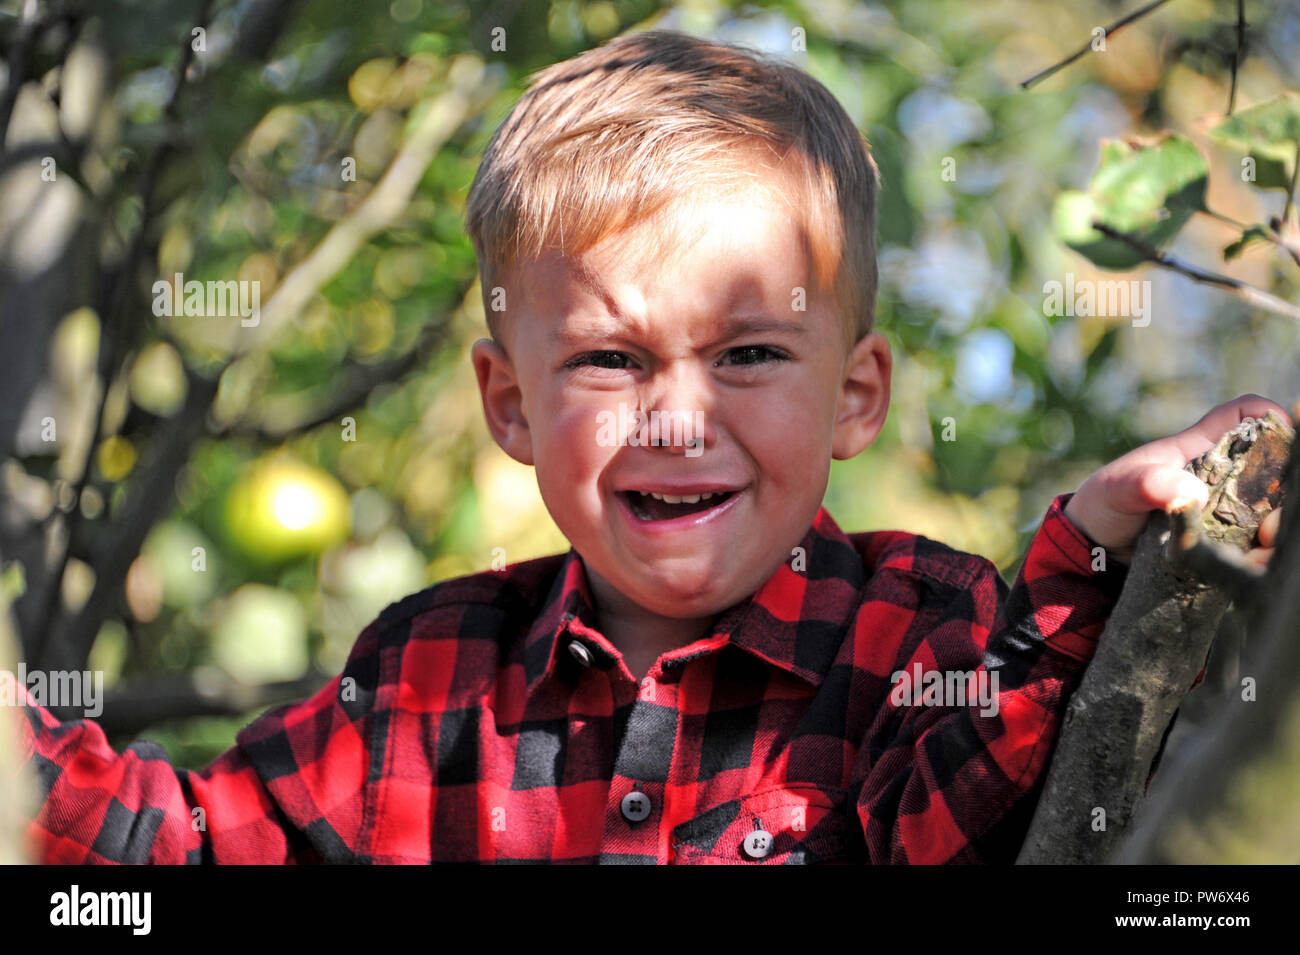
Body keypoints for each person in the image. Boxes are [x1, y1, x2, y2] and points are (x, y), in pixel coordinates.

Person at [5, 29, 1289, 864]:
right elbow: (190, 847)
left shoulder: (917, 631)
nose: (678, 419)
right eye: (611, 360)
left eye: (747, 355)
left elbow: (951, 814)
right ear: (510, 406)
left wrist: (1089, 555)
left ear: (857, 395)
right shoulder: (427, 673)